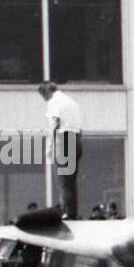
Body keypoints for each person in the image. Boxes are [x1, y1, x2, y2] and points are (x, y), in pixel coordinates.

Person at [38, 81, 84, 219]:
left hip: (64, 140)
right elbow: (80, 127)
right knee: (71, 181)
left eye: (44, 96)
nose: (45, 100)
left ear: (47, 91)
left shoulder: (54, 101)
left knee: (63, 181)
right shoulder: (72, 102)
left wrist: (49, 146)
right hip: (75, 139)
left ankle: (66, 212)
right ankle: (72, 212)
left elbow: (54, 124)